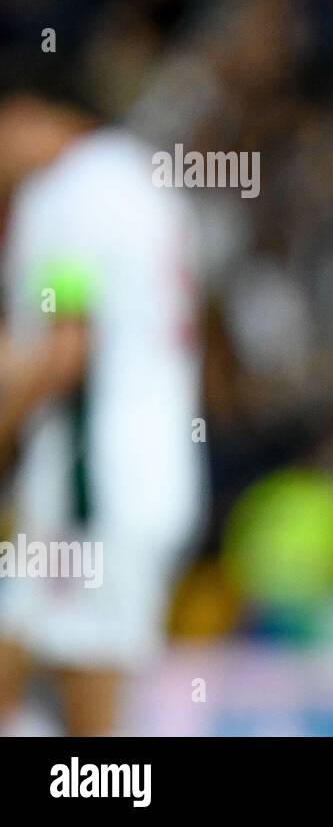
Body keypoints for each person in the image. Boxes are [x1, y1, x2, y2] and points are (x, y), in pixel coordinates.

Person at [0, 89, 203, 735]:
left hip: (93, 483)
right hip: (145, 464)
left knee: (91, 691)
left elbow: (66, 344)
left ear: (27, 111)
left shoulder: (68, 195)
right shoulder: (141, 181)